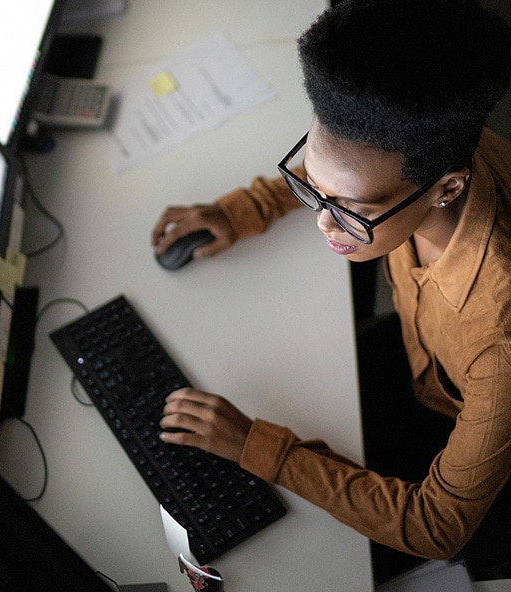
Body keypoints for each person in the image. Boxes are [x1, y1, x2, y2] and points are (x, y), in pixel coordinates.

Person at [152, 0, 511, 582]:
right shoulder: (440, 136)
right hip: (427, 373)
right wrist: (247, 207)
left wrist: (258, 446)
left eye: (352, 212)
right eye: (311, 185)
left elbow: (435, 525)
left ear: (446, 188)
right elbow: (348, 171)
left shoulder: (500, 342)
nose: (324, 221)